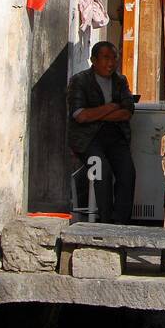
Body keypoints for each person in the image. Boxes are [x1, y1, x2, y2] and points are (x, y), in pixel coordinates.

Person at [66, 41, 136, 223]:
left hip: (115, 137)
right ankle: (105, 222)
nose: (111, 63)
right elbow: (80, 116)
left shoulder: (120, 81)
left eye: (114, 58)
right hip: (88, 140)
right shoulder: (80, 81)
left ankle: (120, 223)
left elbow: (127, 112)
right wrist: (111, 106)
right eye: (106, 58)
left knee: (127, 173)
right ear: (94, 60)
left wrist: (96, 113)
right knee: (101, 171)